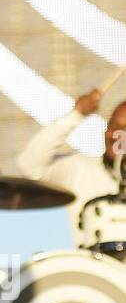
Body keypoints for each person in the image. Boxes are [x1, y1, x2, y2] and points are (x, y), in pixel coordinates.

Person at [17, 88, 126, 246]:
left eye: (124, 130)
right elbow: (29, 164)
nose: (115, 135)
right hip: (90, 267)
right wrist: (76, 115)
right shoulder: (78, 167)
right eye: (112, 127)